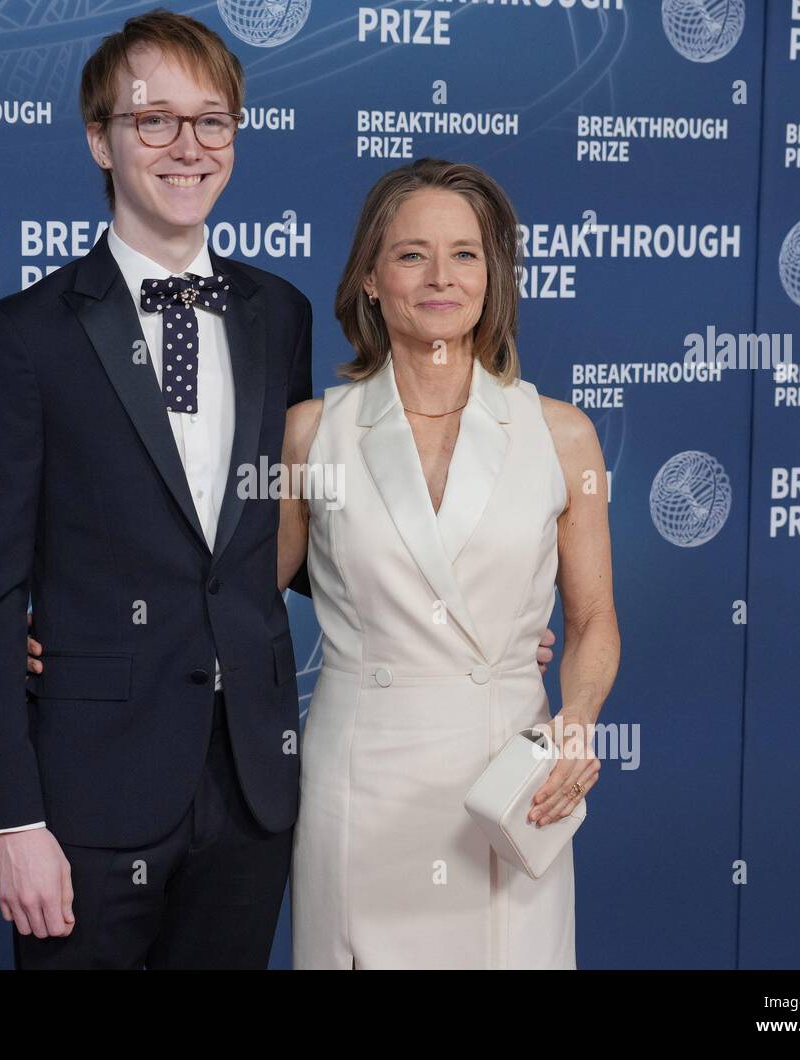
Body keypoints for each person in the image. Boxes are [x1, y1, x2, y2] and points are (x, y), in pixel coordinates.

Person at [0, 10, 314, 969]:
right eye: (154, 121)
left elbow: (294, 529)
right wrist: (12, 818)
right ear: (100, 140)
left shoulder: (282, 313)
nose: (187, 147)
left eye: (213, 120)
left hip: (252, 788)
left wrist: (472, 613)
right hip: (85, 797)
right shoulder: (22, 336)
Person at [275, 159, 620, 969]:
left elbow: (595, 619)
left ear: (492, 276)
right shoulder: (310, 434)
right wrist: (85, 628)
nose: (441, 277)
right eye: (411, 254)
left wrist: (578, 722)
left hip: (508, 780)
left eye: (465, 254)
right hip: (360, 779)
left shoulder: (562, 434)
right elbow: (234, 606)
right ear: (368, 275)